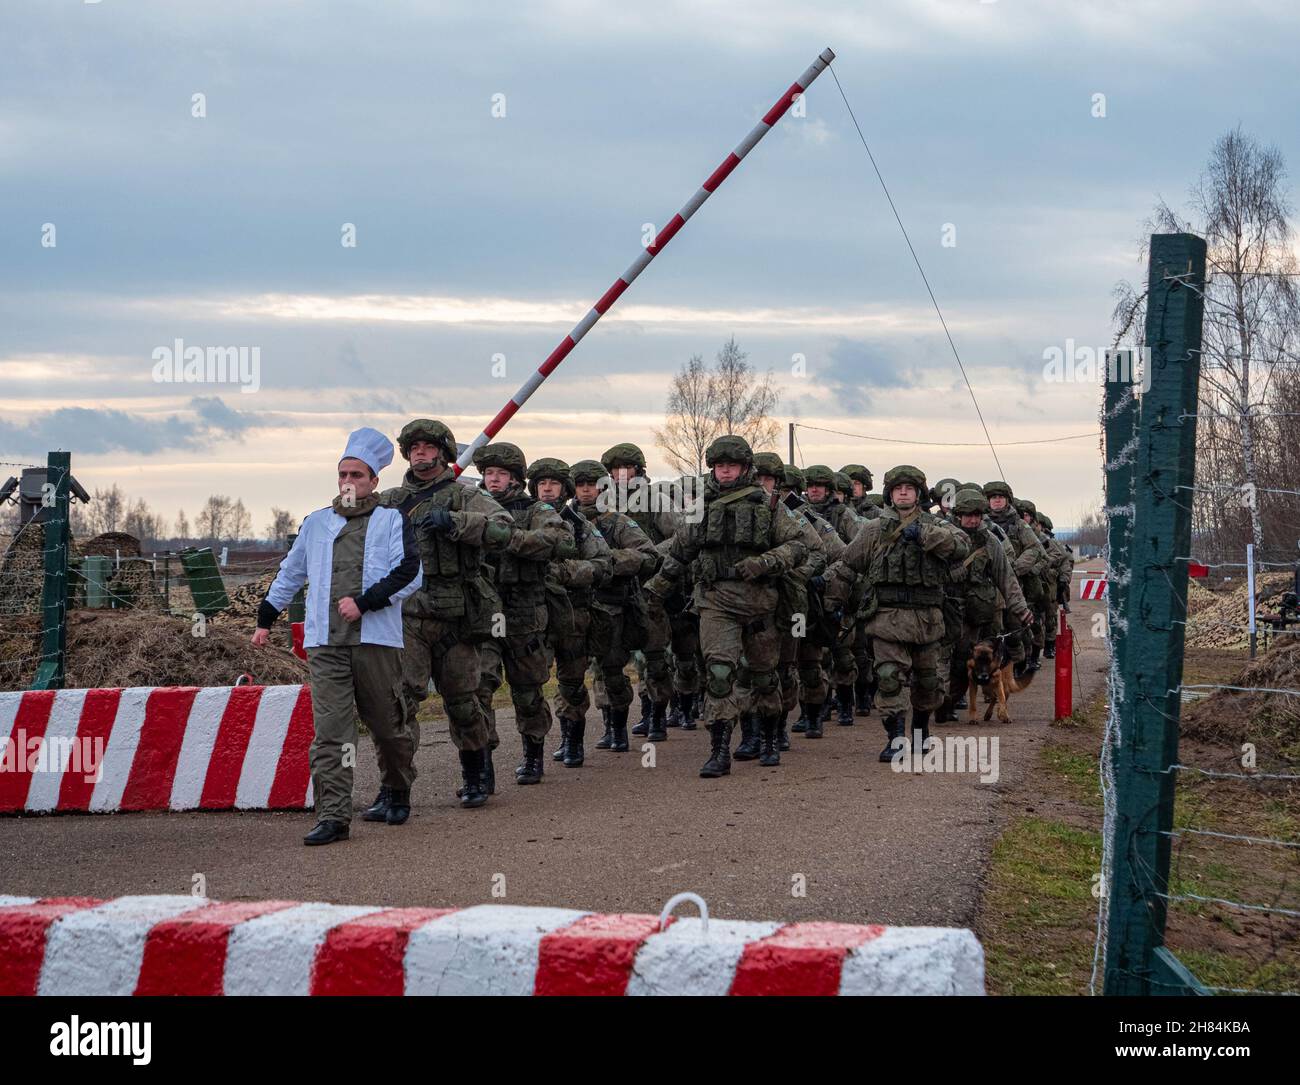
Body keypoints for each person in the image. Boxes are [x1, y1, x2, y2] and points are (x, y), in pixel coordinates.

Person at [253, 428, 420, 845]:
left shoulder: (391, 520)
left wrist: (365, 603)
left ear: (374, 481)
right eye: (343, 473)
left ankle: (397, 789)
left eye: (357, 475)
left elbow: (410, 573)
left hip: (376, 641)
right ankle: (333, 815)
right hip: (325, 643)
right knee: (331, 732)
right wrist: (265, 617)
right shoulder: (316, 523)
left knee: (388, 726)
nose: (349, 481)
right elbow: (291, 573)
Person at [645, 435, 809, 777]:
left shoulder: (769, 505)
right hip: (715, 602)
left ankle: (766, 739)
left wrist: (766, 562)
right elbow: (679, 553)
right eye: (719, 466)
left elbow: (800, 546)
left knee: (764, 676)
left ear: (746, 468)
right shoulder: (701, 507)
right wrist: (656, 591)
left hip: (761, 604)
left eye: (731, 465)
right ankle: (719, 751)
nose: (725, 472)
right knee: (719, 674)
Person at [396, 421, 513, 808]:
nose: (420, 452)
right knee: (401, 702)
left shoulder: (463, 496)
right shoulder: (391, 499)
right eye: (414, 446)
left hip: (456, 617)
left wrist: (457, 523)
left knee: (463, 703)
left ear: (444, 452)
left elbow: (503, 529)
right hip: (409, 615)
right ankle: (395, 789)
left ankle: (476, 776)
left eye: (429, 446)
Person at [823, 465, 970, 761]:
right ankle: (895, 738)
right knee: (889, 677)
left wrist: (925, 534)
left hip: (927, 617)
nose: (903, 493)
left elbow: (962, 545)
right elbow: (848, 566)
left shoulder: (935, 524)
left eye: (909, 488)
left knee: (928, 681)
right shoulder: (874, 529)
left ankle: (920, 729)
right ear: (890, 494)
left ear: (918, 494)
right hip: (887, 617)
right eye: (898, 488)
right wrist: (832, 605)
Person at [473, 442, 576, 786]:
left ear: (516, 479)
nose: (494, 480)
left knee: (527, 691)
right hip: (483, 614)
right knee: (478, 688)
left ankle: (533, 755)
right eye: (489, 473)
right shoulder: (472, 507)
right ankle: (481, 766)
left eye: (502, 474)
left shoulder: (535, 511)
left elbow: (560, 542)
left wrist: (507, 538)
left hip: (523, 614)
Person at [568, 458, 659, 752]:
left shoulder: (617, 521)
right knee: (579, 673)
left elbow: (648, 555)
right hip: (576, 608)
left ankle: (618, 727)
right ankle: (587, 734)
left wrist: (610, 564)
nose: (585, 491)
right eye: (579, 485)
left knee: (611, 669)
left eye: (591, 485)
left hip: (612, 607)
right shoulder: (563, 521)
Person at [527, 458, 612, 768]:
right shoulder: (521, 521)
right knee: (530, 683)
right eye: (541, 483)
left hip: (573, 615)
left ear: (564, 489)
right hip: (533, 615)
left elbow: (603, 566)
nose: (547, 489)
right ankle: (534, 753)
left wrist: (564, 572)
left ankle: (572, 741)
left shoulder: (580, 526)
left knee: (571, 682)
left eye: (554, 483)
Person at [983, 481, 1048, 678]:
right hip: (988, 586)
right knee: (990, 633)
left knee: (1014, 630)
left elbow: (1036, 549)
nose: (996, 501)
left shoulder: (1018, 524)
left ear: (1007, 500)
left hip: (1013, 583)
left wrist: (1015, 568)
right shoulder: (981, 521)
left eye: (1000, 497)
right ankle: (993, 673)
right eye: (993, 498)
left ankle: (1020, 662)